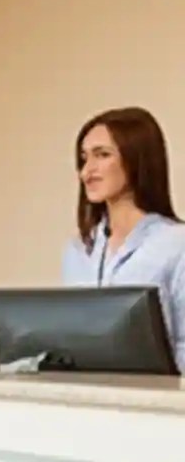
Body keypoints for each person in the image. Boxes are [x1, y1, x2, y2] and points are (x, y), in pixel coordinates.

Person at [63, 106, 185, 369]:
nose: (86, 172)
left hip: (156, 404)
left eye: (102, 155)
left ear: (136, 159)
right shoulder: (79, 249)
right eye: (84, 159)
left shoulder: (176, 245)